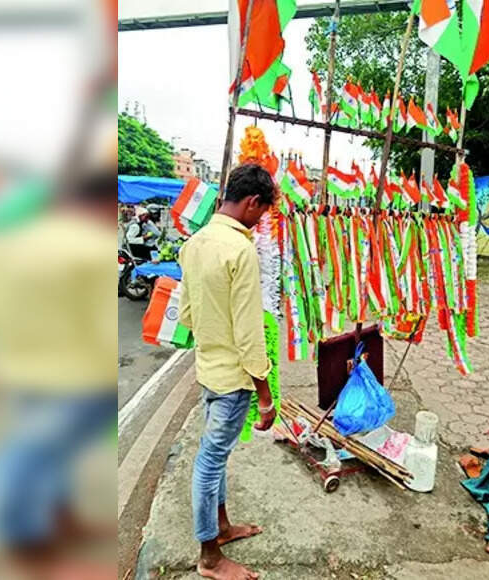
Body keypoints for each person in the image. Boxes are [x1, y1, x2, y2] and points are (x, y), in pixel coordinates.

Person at [0, 168, 118, 577]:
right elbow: (103, 327)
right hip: (76, 375)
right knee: (29, 458)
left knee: (52, 455)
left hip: (17, 367)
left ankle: (59, 522)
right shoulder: (93, 248)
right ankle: (25, 548)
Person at [178, 163, 277, 580]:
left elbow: (185, 313)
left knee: (215, 458)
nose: (261, 221)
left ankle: (220, 527)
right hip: (233, 380)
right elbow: (250, 334)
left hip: (207, 370)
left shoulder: (195, 242)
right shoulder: (240, 250)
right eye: (263, 212)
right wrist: (266, 394)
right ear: (252, 202)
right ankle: (210, 557)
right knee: (210, 460)